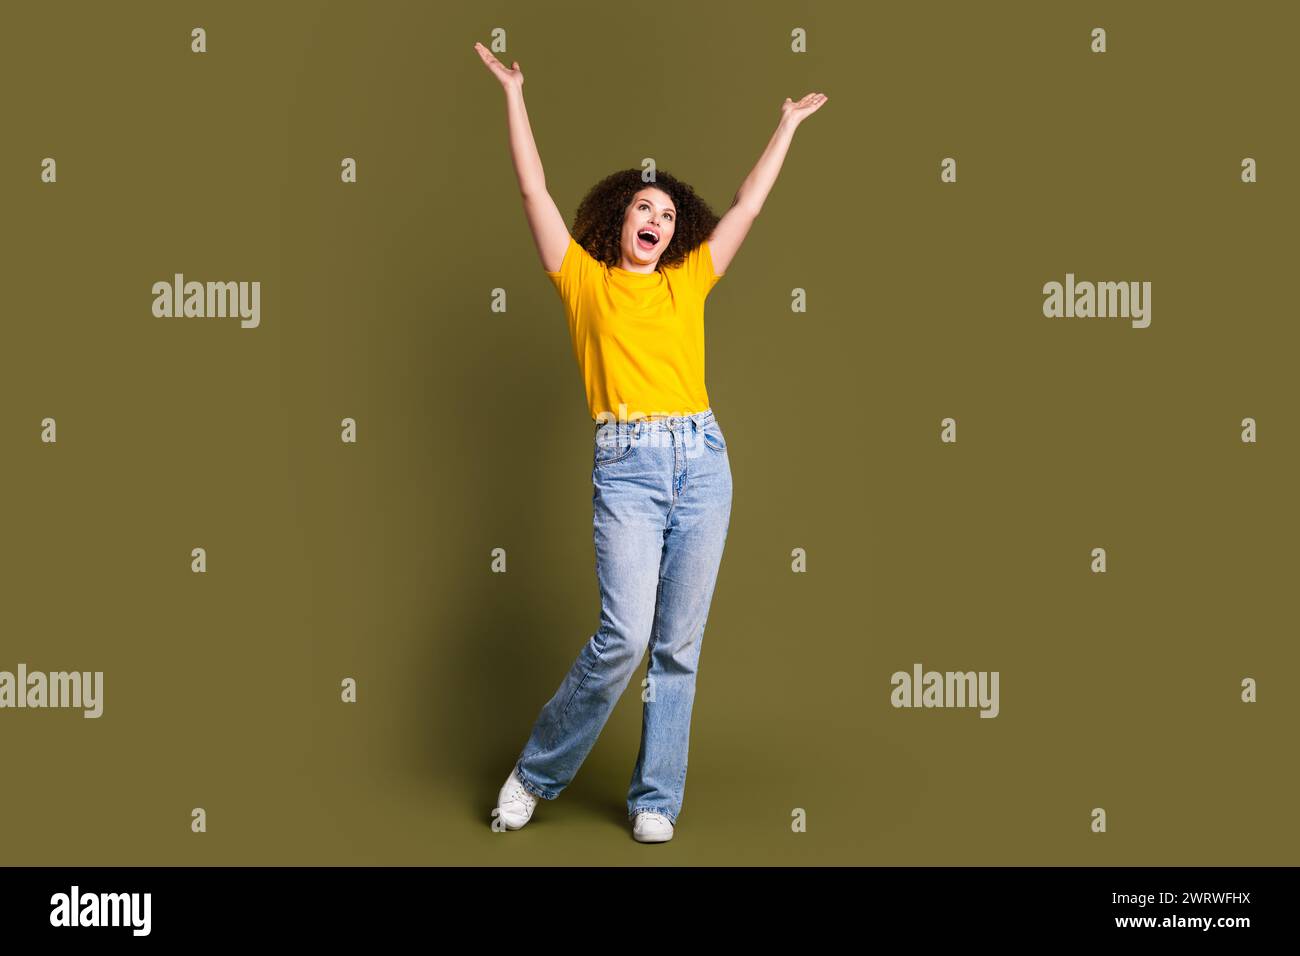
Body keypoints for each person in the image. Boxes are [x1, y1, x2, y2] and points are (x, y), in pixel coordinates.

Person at [473, 40, 827, 842]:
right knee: (625, 635)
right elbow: (531, 188)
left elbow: (746, 207)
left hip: (703, 462)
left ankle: (654, 799)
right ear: (617, 218)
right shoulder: (581, 279)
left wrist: (785, 128)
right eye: (646, 209)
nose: (658, 223)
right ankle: (535, 774)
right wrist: (514, 94)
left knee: (678, 646)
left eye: (669, 216)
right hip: (628, 466)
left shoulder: (689, 279)